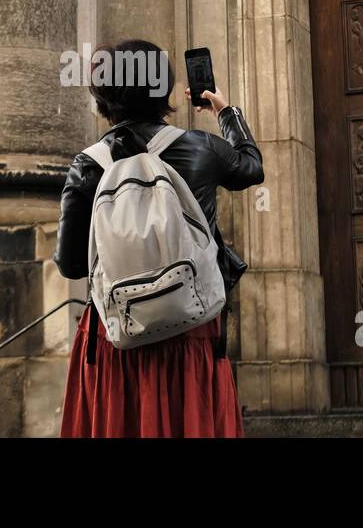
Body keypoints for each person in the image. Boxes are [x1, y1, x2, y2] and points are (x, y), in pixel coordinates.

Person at [53, 38, 264, 438]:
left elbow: (70, 264)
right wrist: (224, 111)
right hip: (191, 328)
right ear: (163, 89)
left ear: (103, 94)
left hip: (117, 337)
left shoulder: (86, 165)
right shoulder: (202, 148)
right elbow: (252, 168)